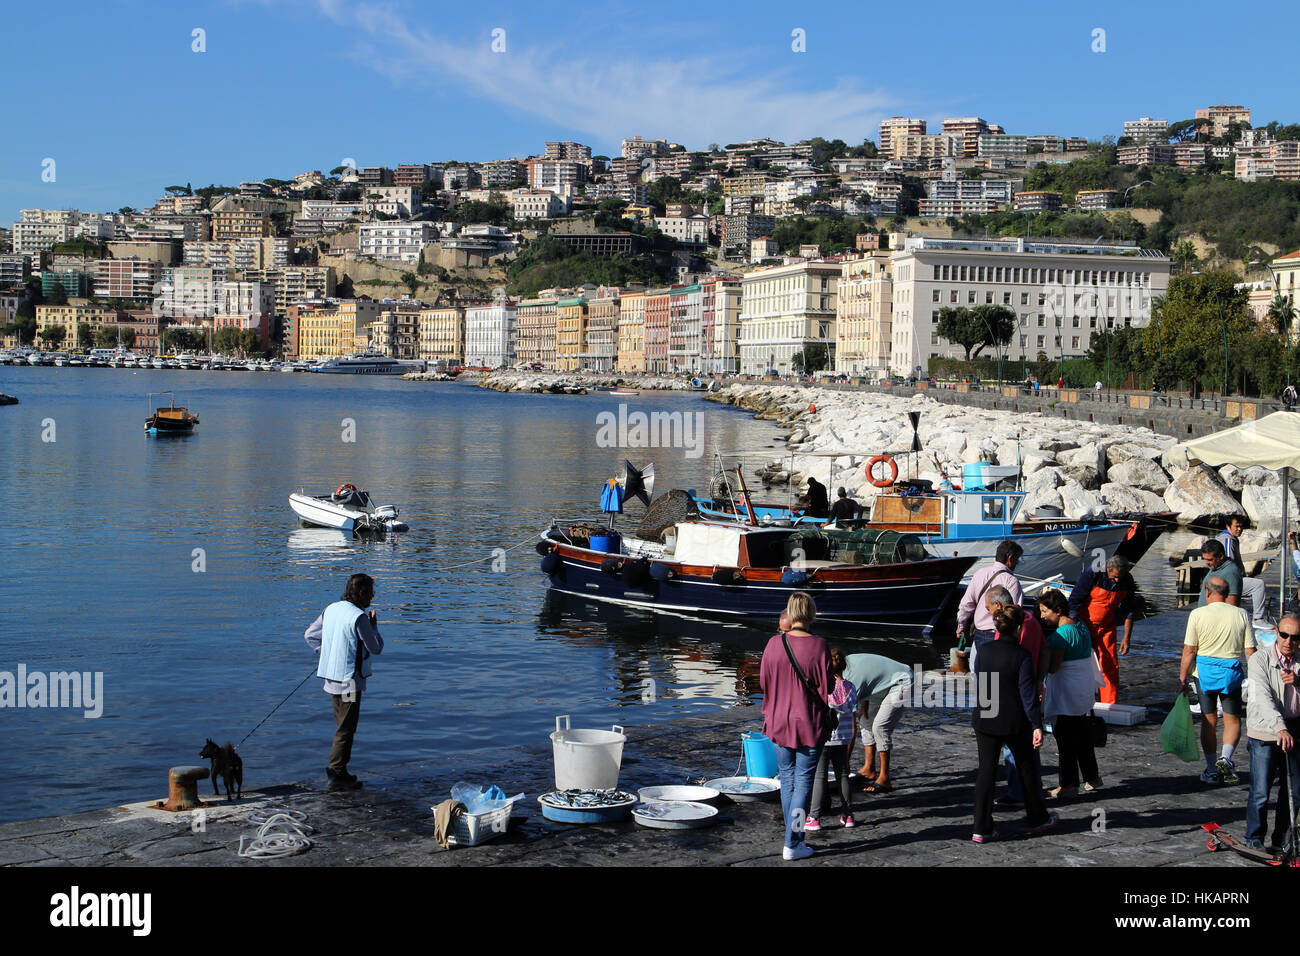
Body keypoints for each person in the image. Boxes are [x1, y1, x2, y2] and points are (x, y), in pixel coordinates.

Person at [972, 606, 1057, 842]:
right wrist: (1036, 724)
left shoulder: (984, 650)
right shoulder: (1022, 656)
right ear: (1019, 628)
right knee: (1027, 770)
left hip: (986, 717)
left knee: (986, 772)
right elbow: (1027, 696)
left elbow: (983, 682)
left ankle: (981, 827)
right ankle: (1037, 818)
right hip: (1014, 721)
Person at [760, 592, 832, 861]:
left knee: (787, 781)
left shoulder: (772, 643)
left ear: (790, 613)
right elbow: (827, 688)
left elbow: (765, 683)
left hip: (777, 723)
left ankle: (794, 839)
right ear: (811, 614)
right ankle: (793, 841)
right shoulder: (820, 646)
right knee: (803, 784)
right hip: (809, 725)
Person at [304, 573, 384, 792]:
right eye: (371, 592)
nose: (372, 597)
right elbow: (376, 647)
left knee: (342, 724)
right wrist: (374, 626)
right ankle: (337, 772)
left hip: (331, 679)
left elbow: (310, 636)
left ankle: (338, 769)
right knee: (346, 728)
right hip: (349, 682)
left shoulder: (331, 609)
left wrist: (325, 654)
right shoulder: (359, 617)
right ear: (361, 592)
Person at [1180, 576, 1256, 785]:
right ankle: (1226, 758)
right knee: (1232, 719)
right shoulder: (1241, 614)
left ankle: (1212, 768)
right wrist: (1258, 677)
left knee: (1209, 720)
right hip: (1230, 674)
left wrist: (1183, 676)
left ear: (1207, 592)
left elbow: (1189, 650)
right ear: (1227, 593)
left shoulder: (1197, 614)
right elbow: (1250, 650)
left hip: (1203, 673)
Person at [1038, 587, 1104, 799]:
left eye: (1044, 611)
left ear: (1057, 610)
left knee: (1064, 736)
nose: (1042, 616)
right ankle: (1092, 777)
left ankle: (1067, 784)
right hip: (1083, 687)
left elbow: (1054, 667)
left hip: (1067, 691)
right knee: (1082, 734)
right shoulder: (1081, 626)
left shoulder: (1060, 635)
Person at [1244, 617, 1300, 851]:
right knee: (1260, 791)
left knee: (1295, 792)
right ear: (1277, 633)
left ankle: (1281, 839)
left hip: (1296, 727)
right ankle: (1254, 838)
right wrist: (1280, 727)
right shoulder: (1260, 659)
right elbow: (1262, 698)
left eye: (1295, 638)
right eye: (1284, 635)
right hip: (1266, 731)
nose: (1289, 641)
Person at [1069, 555, 1139, 704]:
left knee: (1110, 665)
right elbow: (1074, 602)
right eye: (1114, 577)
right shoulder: (1092, 574)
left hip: (1107, 628)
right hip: (1083, 626)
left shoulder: (1127, 580)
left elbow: (1129, 610)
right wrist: (1073, 629)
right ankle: (1079, 702)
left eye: (1120, 577)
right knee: (1080, 664)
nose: (1117, 581)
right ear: (1108, 569)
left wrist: (1127, 638)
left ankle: (1109, 704)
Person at [844, 653, 913, 792]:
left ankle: (885, 778)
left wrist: (843, 765)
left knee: (880, 728)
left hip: (902, 680)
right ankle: (868, 769)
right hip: (881, 683)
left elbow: (850, 729)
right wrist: (865, 698)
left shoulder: (850, 681)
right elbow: (869, 674)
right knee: (865, 720)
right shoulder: (841, 666)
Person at [953, 541, 1025, 671]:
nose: (1017, 564)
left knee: (979, 675)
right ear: (1010, 558)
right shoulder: (1011, 581)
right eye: (1017, 560)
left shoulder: (980, 573)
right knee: (996, 679)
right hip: (999, 636)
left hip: (979, 634)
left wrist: (961, 626)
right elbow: (1015, 613)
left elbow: (966, 604)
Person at [808, 648, 859, 830]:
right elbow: (853, 711)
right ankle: (848, 815)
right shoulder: (851, 687)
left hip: (823, 737)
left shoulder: (822, 688)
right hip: (843, 738)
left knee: (819, 776)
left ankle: (814, 817)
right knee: (843, 775)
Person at [1219, 516, 1269, 623]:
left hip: (1229, 578)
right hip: (1227, 582)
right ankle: (1258, 618)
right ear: (1228, 526)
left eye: (1241, 527)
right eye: (1236, 526)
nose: (1239, 529)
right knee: (1258, 585)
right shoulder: (1227, 540)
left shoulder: (1228, 538)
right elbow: (1229, 563)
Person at [1198, 539, 1244, 610]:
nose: (1206, 562)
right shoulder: (1215, 566)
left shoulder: (1231, 572)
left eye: (1210, 559)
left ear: (1221, 556)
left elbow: (1231, 606)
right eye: (1205, 559)